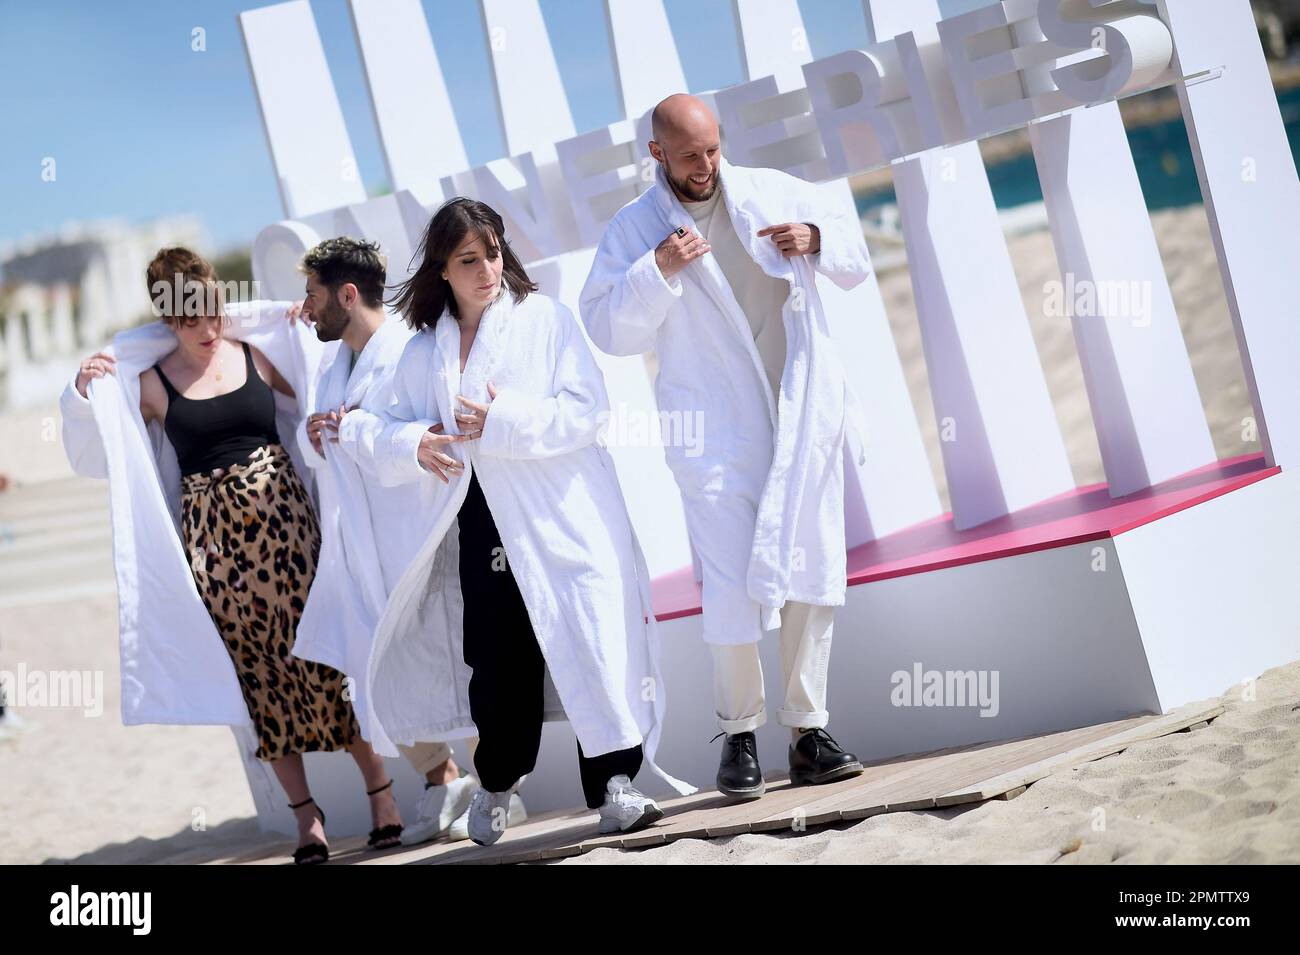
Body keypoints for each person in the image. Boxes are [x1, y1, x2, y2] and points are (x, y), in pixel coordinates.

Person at [344, 198, 695, 846]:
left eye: (493, 254)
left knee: (592, 637)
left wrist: (502, 422)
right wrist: (413, 440)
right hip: (484, 526)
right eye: (468, 260)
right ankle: (498, 783)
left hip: (564, 516)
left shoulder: (546, 321)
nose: (486, 270)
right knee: (499, 658)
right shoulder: (425, 353)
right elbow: (366, 422)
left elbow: (587, 409)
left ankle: (617, 786)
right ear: (442, 270)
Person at [61, 247, 401, 863]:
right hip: (215, 549)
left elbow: (328, 389)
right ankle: (307, 822)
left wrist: (303, 324)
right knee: (256, 678)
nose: (208, 327)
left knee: (325, 652)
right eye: (191, 320)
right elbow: (102, 452)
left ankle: (381, 793)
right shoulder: (151, 384)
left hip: (287, 527)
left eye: (214, 311)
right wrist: (85, 393)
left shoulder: (255, 352)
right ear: (168, 320)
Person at [580, 93, 871, 799]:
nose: (706, 166)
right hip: (711, 430)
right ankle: (738, 734)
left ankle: (809, 732)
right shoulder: (634, 228)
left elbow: (858, 254)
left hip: (796, 407)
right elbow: (605, 327)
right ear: (657, 154)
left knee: (810, 563)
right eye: (689, 155)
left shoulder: (771, 189)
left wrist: (816, 239)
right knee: (729, 578)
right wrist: (655, 270)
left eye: (713, 150)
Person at [290, 235, 500, 844]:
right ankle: (442, 780)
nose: (307, 309)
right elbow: (327, 445)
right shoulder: (335, 364)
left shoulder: (411, 350)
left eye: (313, 296)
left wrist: (357, 431)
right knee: (377, 674)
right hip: (363, 548)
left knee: (455, 665)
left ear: (347, 295)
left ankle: (492, 786)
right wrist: (314, 430)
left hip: (420, 543)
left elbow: (426, 435)